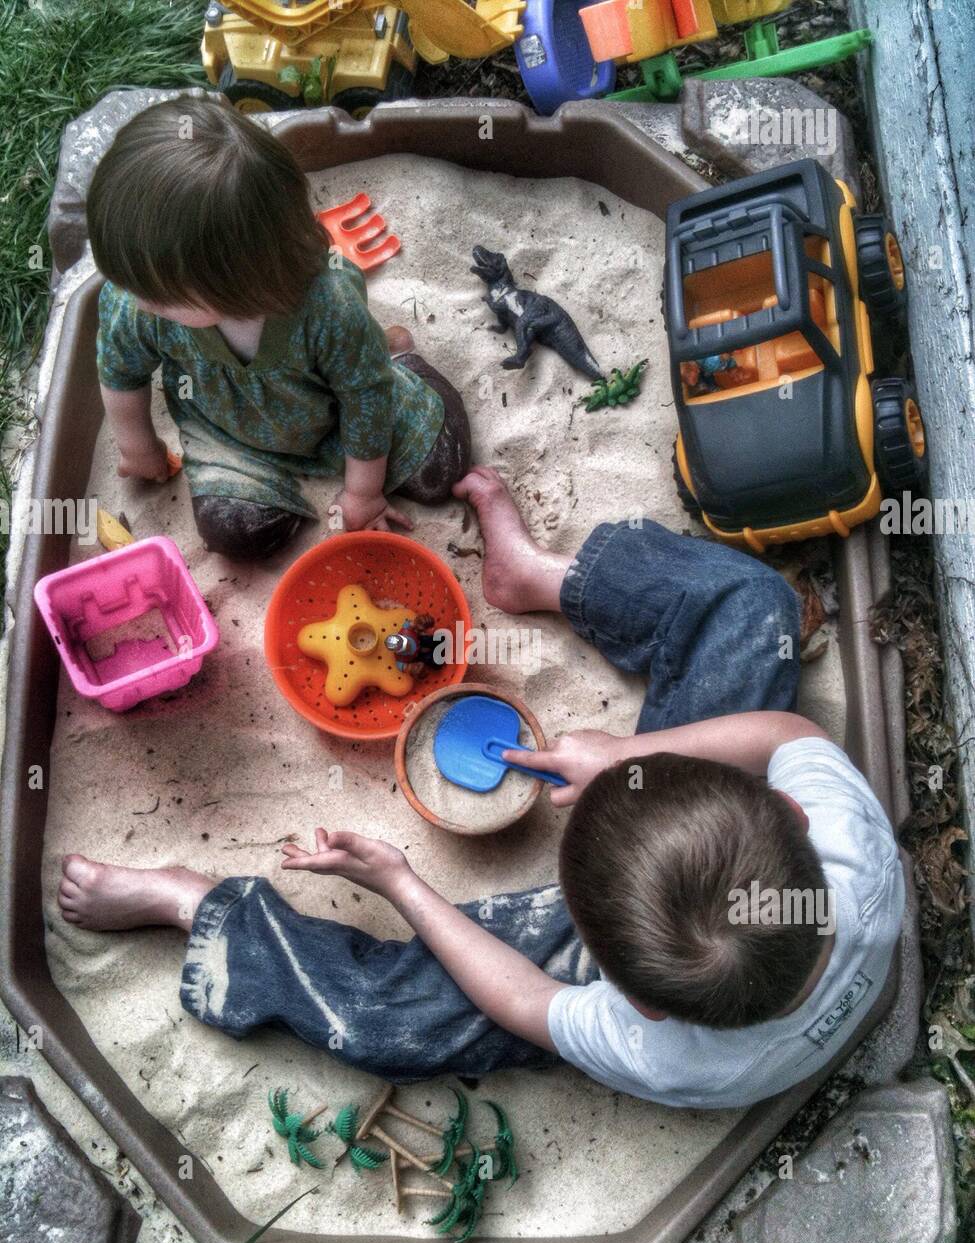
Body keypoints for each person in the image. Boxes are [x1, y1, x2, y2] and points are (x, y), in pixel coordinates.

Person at [56, 469, 904, 1108]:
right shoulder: (853, 853)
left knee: (392, 1022)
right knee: (754, 606)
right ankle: (537, 576)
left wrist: (401, 882)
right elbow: (793, 738)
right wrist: (619, 758)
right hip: (696, 917)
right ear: (784, 810)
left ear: (625, 996)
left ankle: (200, 909)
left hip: (672, 963)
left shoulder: (659, 1051)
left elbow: (529, 1002)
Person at [88, 96, 471, 560]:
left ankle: (399, 356)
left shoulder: (327, 309)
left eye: (157, 290)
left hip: (334, 416)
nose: (135, 296)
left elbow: (366, 400)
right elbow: (120, 372)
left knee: (442, 470)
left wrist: (363, 494)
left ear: (236, 280)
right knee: (235, 534)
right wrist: (138, 446)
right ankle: (374, 361)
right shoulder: (138, 302)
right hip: (227, 428)